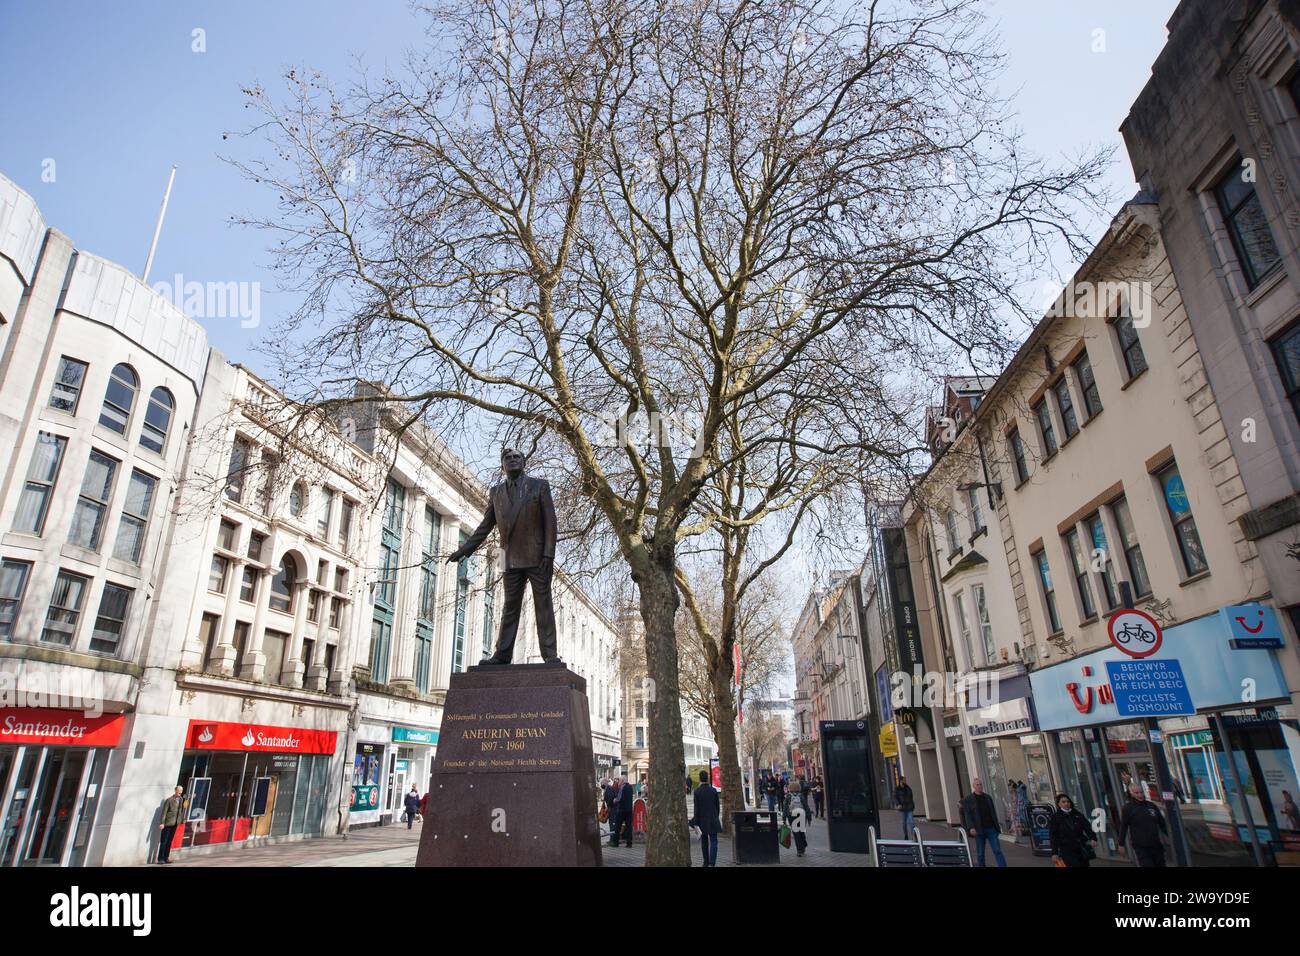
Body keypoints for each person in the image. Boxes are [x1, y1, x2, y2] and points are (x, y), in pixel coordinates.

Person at [445, 446, 559, 664]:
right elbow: (485, 525)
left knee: (543, 606)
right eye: (508, 457)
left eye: (517, 457)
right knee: (509, 607)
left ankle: (550, 655)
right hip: (506, 557)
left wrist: (549, 555)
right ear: (503, 464)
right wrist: (464, 549)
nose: (513, 460)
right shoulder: (495, 492)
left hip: (538, 556)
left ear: (524, 462)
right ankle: (502, 654)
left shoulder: (539, 486)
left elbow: (551, 523)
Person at [1118, 783, 1168, 867]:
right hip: (1141, 847)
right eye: (1136, 793)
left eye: (1141, 792)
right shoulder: (1128, 808)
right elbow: (1124, 826)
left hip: (1156, 844)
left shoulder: (1151, 806)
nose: (1140, 795)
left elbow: (1162, 824)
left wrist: (1171, 836)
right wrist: (1121, 844)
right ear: (1131, 793)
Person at [961, 778, 1007, 867]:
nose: (979, 786)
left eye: (980, 784)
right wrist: (971, 827)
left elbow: (993, 812)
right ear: (973, 786)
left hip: (991, 828)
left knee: (997, 850)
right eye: (977, 785)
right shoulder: (969, 799)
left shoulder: (988, 797)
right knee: (980, 853)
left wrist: (997, 826)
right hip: (978, 829)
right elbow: (968, 815)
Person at [1049, 792, 1097, 868]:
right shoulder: (1055, 817)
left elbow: (1087, 827)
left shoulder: (1077, 814)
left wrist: (1093, 838)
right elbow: (1053, 836)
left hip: (1081, 847)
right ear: (1059, 804)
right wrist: (1054, 853)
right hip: (1067, 849)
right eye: (1063, 802)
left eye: (1068, 802)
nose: (1066, 804)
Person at [690, 770, 722, 867]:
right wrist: (716, 816)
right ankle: (712, 863)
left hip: (702, 820)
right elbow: (717, 806)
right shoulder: (713, 790)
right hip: (713, 819)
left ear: (700, 779)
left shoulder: (697, 792)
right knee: (714, 841)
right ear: (707, 778)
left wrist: (696, 823)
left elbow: (696, 809)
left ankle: (705, 862)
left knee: (704, 842)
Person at [157, 786, 186, 864]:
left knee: (169, 841)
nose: (181, 792)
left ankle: (166, 857)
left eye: (182, 790)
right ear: (175, 790)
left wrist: (181, 820)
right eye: (179, 790)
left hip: (175, 823)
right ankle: (160, 858)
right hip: (167, 823)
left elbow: (180, 811)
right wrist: (162, 823)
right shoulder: (169, 800)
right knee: (164, 841)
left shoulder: (181, 799)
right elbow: (164, 812)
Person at [610, 775, 635, 847]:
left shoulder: (623, 787)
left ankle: (615, 843)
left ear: (623, 781)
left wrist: (614, 800)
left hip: (621, 810)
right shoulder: (630, 787)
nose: (618, 783)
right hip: (629, 810)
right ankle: (629, 843)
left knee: (617, 826)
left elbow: (619, 798)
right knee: (629, 827)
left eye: (620, 781)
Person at [894, 775, 916, 840]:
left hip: (909, 808)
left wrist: (911, 806)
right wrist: (898, 804)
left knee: (911, 822)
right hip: (903, 809)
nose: (905, 781)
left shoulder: (908, 788)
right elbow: (895, 797)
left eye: (905, 780)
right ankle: (906, 835)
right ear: (901, 781)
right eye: (904, 780)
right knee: (904, 823)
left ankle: (913, 836)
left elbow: (910, 797)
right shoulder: (897, 789)